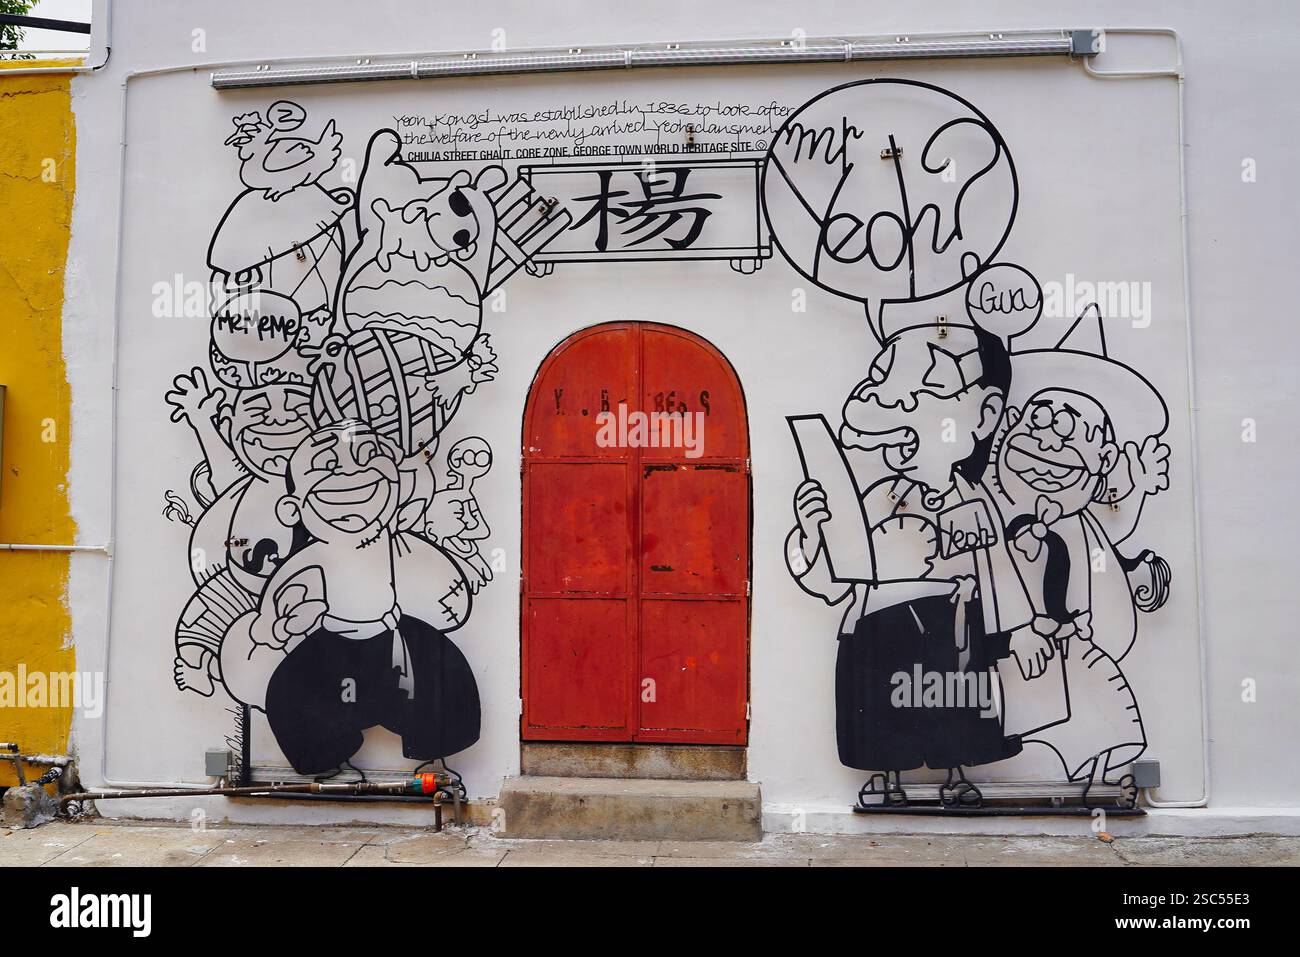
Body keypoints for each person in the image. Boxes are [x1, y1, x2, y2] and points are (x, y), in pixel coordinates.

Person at [786, 322, 1049, 808]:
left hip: (952, 625)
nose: (904, 407)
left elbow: (997, 570)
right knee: (880, 703)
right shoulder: (875, 500)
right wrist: (811, 532)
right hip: (877, 625)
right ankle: (888, 778)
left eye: (930, 387)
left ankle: (955, 772)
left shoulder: (973, 501)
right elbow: (832, 579)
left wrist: (1021, 629)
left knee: (957, 699)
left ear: (985, 415)